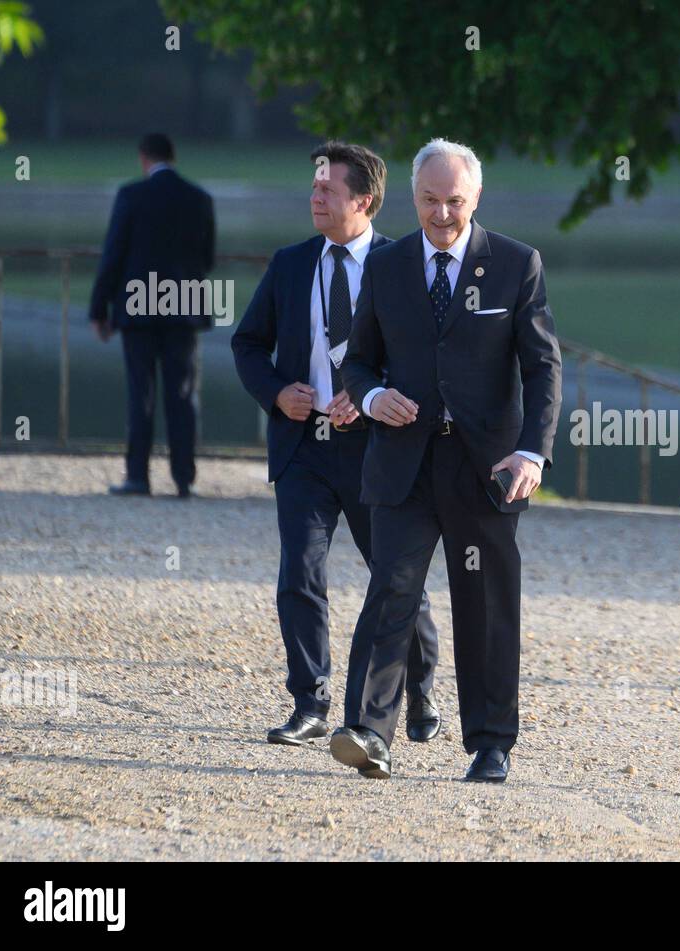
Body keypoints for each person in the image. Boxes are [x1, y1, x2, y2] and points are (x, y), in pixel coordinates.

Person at [330, 138, 562, 783]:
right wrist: (372, 397)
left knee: (485, 604)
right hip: (403, 464)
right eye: (430, 200)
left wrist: (532, 453)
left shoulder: (517, 264)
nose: (441, 213)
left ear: (476, 197)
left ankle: (491, 745)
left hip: (488, 469)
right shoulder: (387, 265)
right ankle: (369, 733)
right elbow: (357, 360)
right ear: (413, 197)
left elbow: (543, 367)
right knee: (391, 592)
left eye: (454, 201)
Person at [232, 142, 440, 749]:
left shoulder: (404, 264)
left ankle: (421, 689)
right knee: (299, 572)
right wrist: (277, 394)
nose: (315, 197)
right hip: (305, 448)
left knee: (398, 580)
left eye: (328, 189)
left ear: (364, 200)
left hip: (379, 448)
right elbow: (247, 344)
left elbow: (428, 360)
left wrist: (372, 394)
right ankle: (310, 702)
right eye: (314, 186)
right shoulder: (291, 264)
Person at [88, 133, 215, 498]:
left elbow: (113, 256)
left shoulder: (131, 195)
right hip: (182, 306)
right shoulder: (200, 198)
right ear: (173, 158)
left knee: (140, 393)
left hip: (138, 308)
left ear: (144, 158)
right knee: (182, 393)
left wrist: (100, 309)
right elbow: (206, 258)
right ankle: (183, 478)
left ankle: (138, 476)